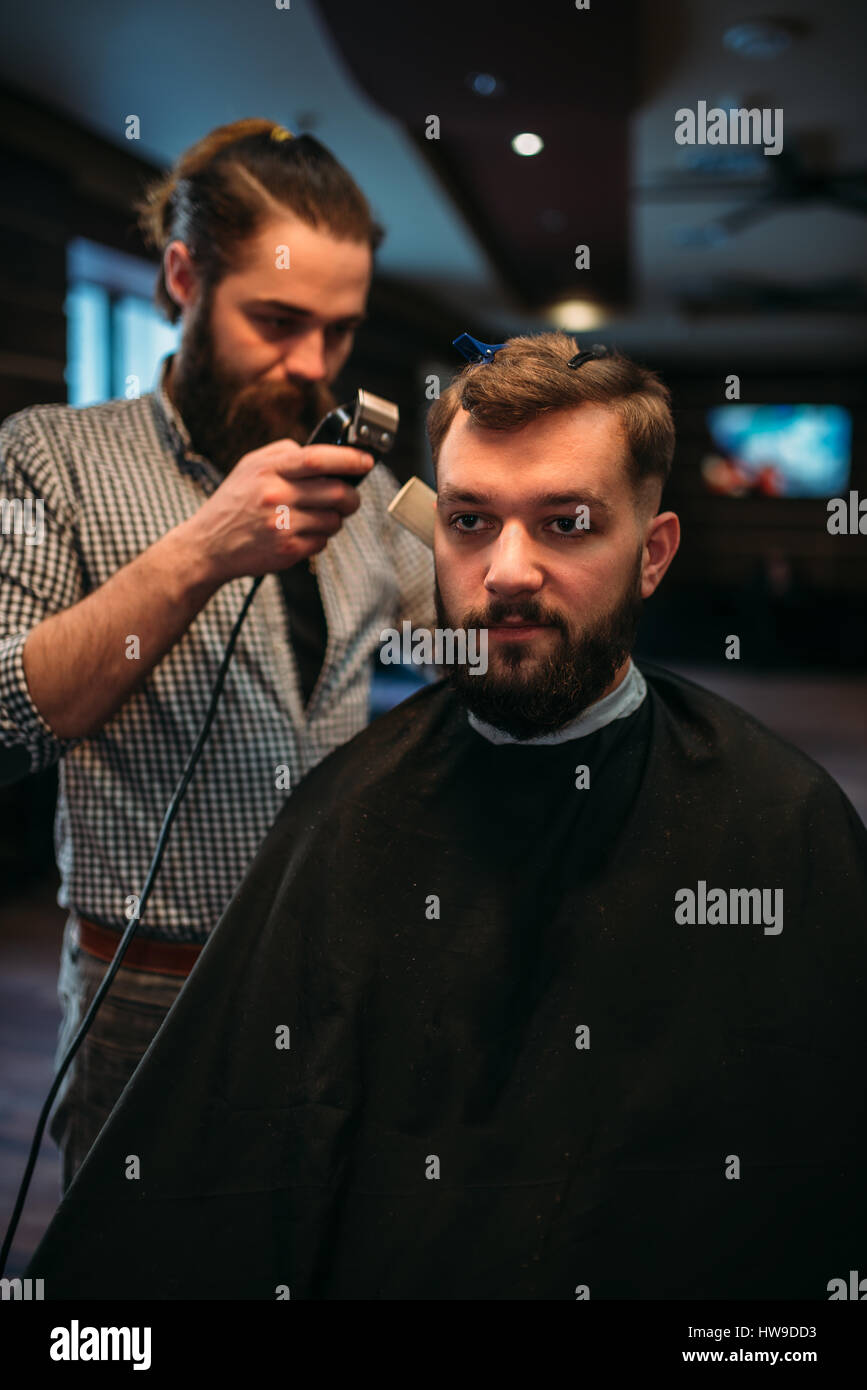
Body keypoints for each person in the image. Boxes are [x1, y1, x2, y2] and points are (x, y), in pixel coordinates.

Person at [27, 333, 867, 1300]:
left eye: (565, 523)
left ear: (653, 553)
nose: (507, 570)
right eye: (470, 521)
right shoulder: (344, 815)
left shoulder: (779, 823)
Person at [0, 119, 433, 1192]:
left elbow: (454, 610)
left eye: (338, 333)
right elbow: (10, 711)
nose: (311, 367)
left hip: (336, 965)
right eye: (278, 322)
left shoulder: (366, 488)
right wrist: (204, 547)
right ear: (184, 278)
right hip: (147, 988)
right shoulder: (48, 454)